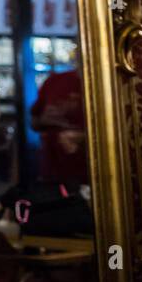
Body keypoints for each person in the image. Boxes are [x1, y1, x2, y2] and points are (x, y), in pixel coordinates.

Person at [31, 48, 89, 184]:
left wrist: (82, 138)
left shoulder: (110, 85)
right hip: (54, 170)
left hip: (92, 172)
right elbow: (34, 121)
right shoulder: (55, 81)